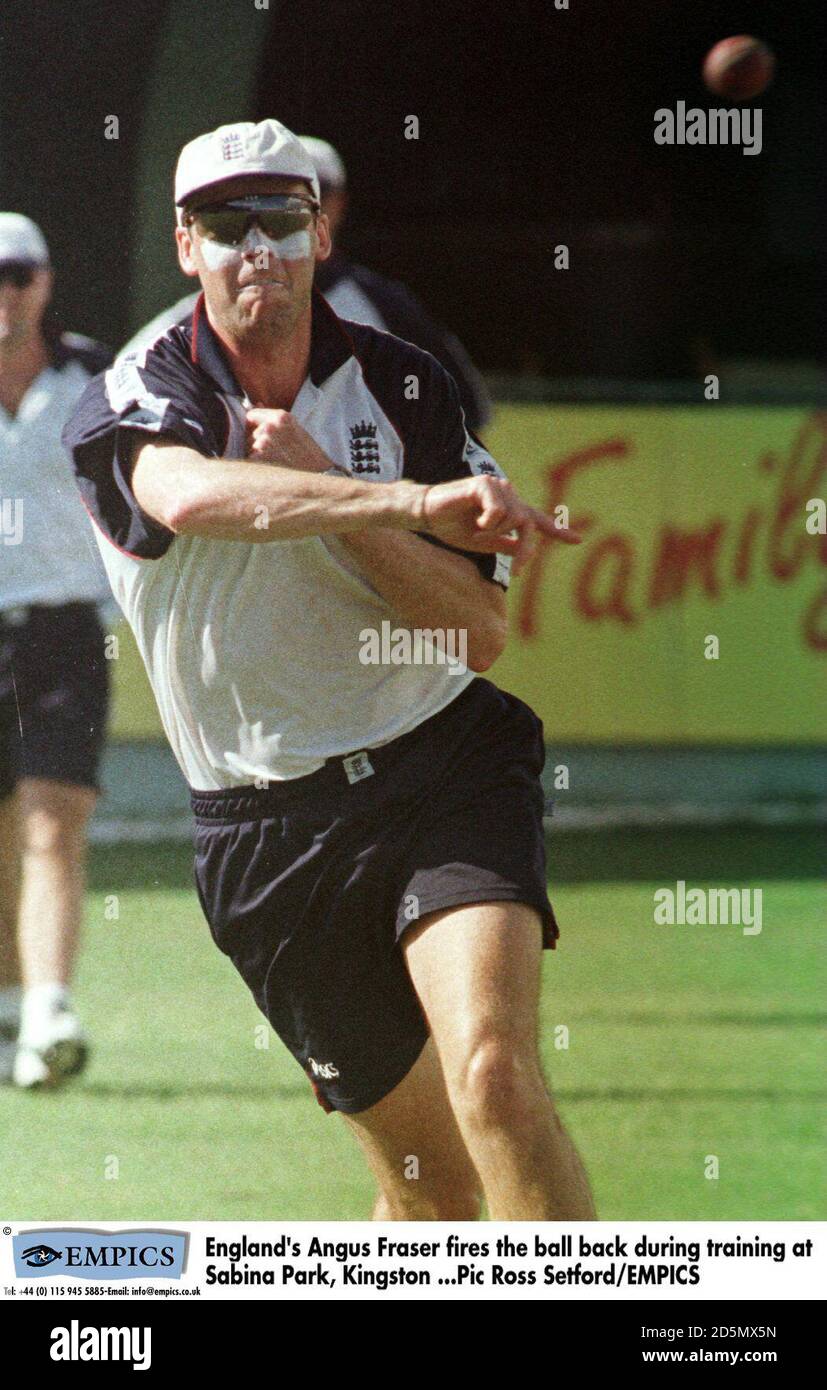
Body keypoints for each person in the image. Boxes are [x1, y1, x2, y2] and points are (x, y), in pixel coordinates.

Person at [63, 119, 595, 1220]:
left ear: (317, 235)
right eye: (226, 224)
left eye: (280, 220)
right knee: (425, 1187)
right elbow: (193, 499)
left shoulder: (402, 389)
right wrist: (400, 503)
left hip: (441, 762)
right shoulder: (139, 388)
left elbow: (478, 637)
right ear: (184, 245)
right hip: (268, 834)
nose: (254, 248)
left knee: (493, 1076)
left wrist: (354, 511)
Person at [123, 135, 491, 433]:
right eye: (229, 222)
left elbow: (463, 410)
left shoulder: (386, 306)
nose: (260, 241)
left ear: (333, 206)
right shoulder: (171, 333)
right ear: (187, 245)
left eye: (286, 208)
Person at [0, 213, 112, 1087]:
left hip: (67, 629)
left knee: (51, 821)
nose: (5, 291)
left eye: (18, 273)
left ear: (44, 281)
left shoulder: (98, 380)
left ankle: (48, 1012)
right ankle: (13, 1008)